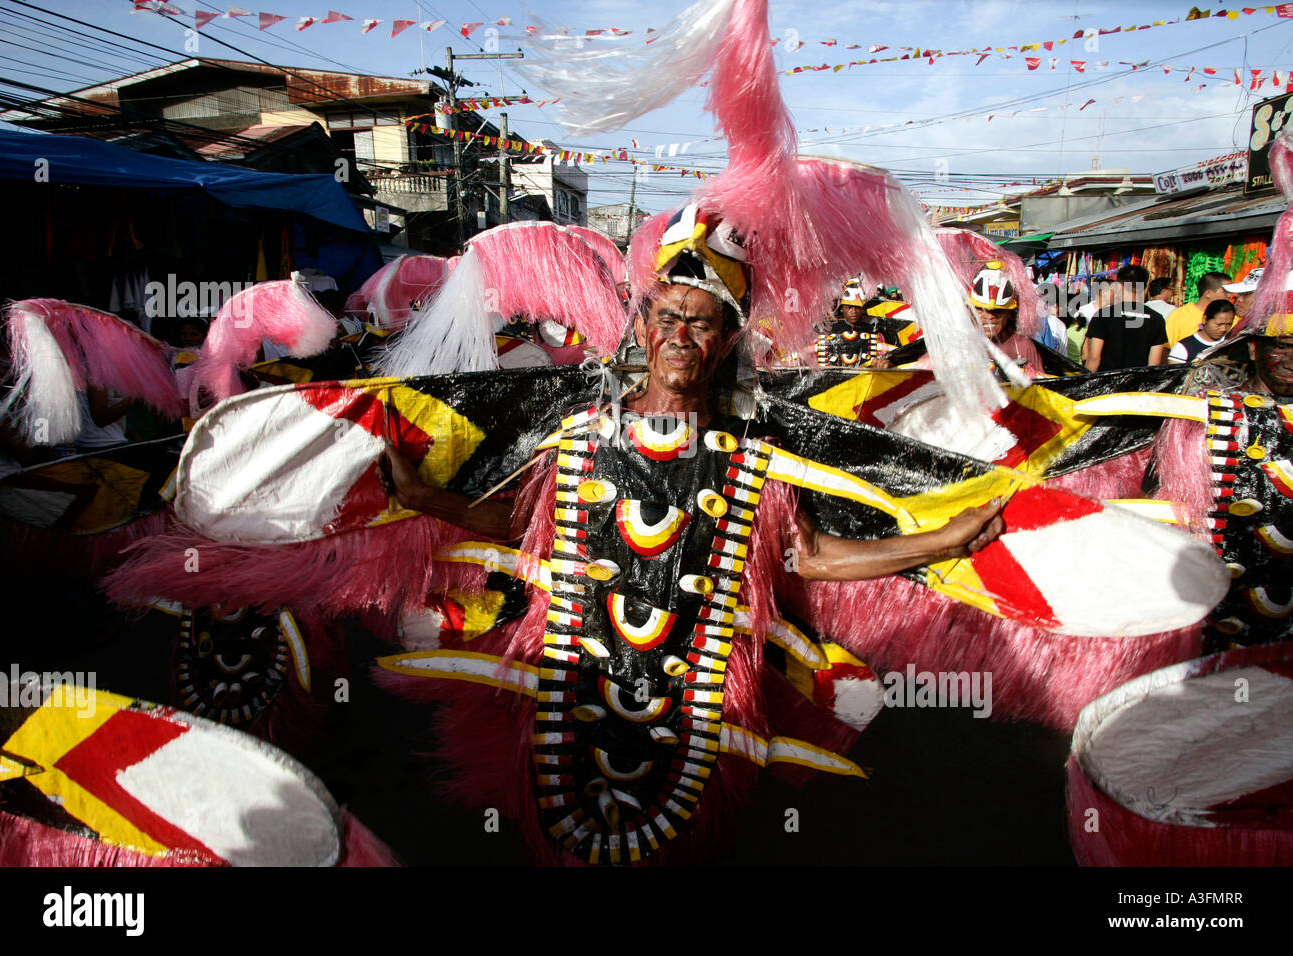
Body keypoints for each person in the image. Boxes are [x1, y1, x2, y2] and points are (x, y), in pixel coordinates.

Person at [380, 204, 1005, 865]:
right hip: (573, 680)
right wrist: (427, 498)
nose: (681, 335)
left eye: (700, 323)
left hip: (698, 704)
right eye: (668, 318)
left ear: (725, 341)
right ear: (644, 330)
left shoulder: (755, 458)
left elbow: (811, 556)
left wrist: (941, 541)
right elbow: (525, 526)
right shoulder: (581, 436)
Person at [968, 260, 1047, 375]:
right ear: (970, 310)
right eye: (982, 309)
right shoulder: (961, 343)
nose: (990, 316)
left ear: (1010, 314)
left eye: (998, 311)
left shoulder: (1023, 346)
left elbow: (1044, 389)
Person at [1083, 264, 1167, 372]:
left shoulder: (1103, 315)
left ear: (1119, 286)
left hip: (1106, 383)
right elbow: (1154, 364)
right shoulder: (1157, 319)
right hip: (1136, 385)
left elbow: (1094, 359)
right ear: (1145, 287)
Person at [1164, 271, 1231, 346]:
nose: (1229, 296)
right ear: (1208, 293)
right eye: (1226, 292)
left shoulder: (1232, 318)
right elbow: (1166, 348)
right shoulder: (1179, 315)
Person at [1168, 299, 1234, 364]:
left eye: (1229, 324)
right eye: (1219, 324)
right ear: (1205, 319)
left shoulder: (1232, 343)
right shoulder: (1182, 348)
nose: (1223, 329)